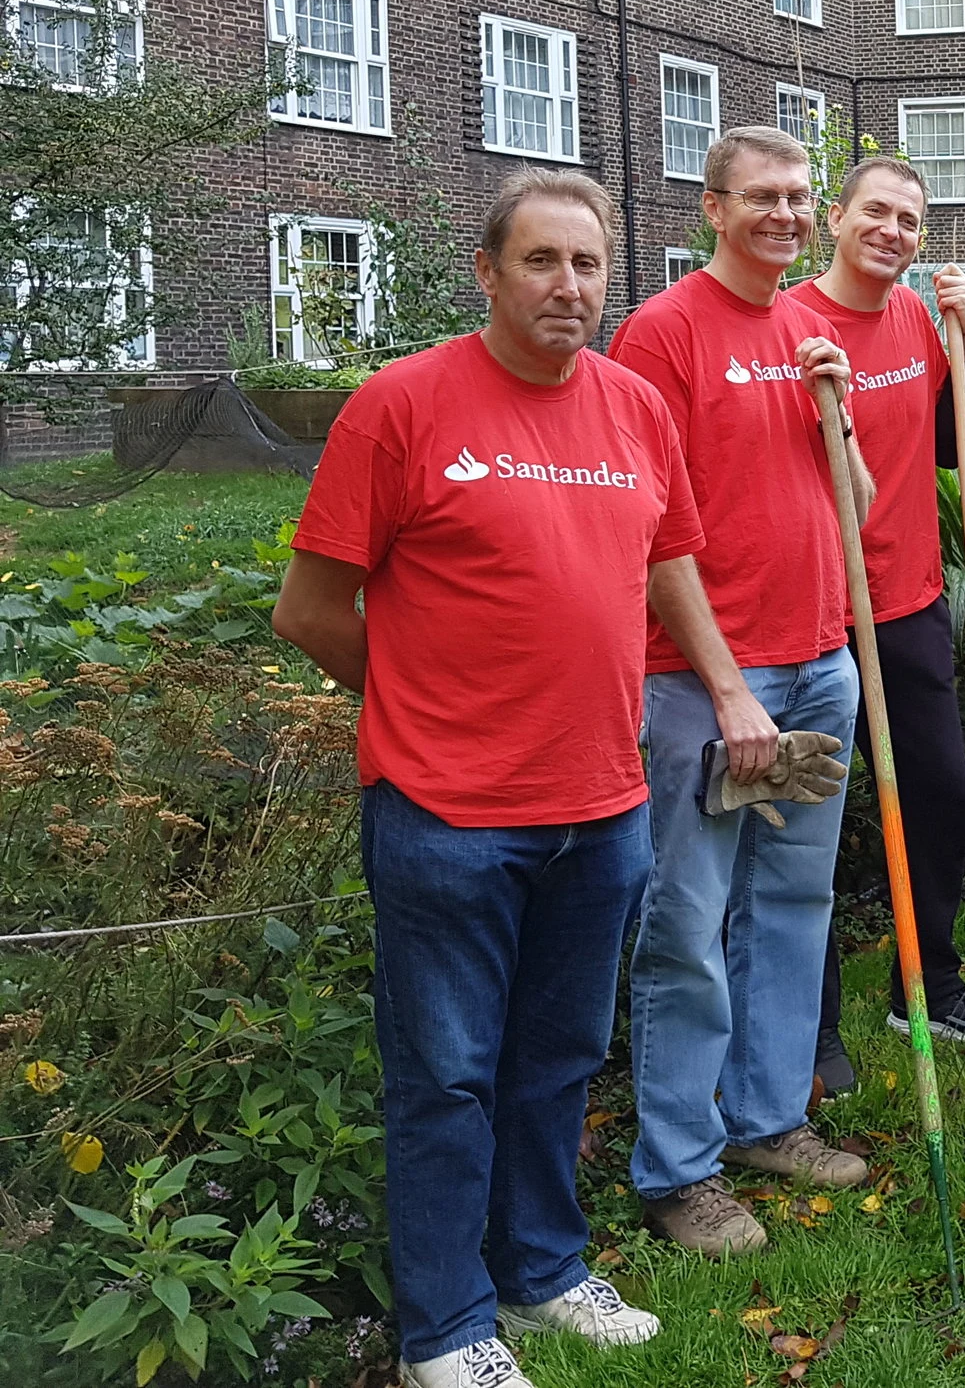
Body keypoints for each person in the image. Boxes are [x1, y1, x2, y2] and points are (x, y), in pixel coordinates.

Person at [273, 170, 734, 1388]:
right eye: (540, 261)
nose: (567, 287)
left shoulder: (634, 407)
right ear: (487, 271)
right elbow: (311, 609)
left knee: (560, 1059)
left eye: (587, 265)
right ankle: (446, 1330)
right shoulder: (400, 407)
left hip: (601, 808)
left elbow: (668, 556)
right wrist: (424, 708)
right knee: (444, 1078)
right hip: (447, 816)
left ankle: (540, 1271)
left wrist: (729, 690)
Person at [605, 128, 876, 1260]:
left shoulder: (812, 331)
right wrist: (726, 690)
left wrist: (840, 411)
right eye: (761, 197)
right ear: (711, 208)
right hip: (711, 682)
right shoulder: (662, 336)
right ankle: (677, 1169)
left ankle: (769, 1117)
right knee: (688, 923)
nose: (785, 215)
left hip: (819, 659)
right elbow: (653, 533)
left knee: (792, 907)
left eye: (799, 198)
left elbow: (853, 504)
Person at [787, 155, 965, 1062]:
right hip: (817, 605)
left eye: (909, 221)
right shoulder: (792, 320)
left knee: (942, 792)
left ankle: (927, 981)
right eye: (875, 213)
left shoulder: (917, 317)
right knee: (814, 824)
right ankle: (814, 1025)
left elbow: (955, 444)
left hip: (909, 597)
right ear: (835, 217)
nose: (891, 231)